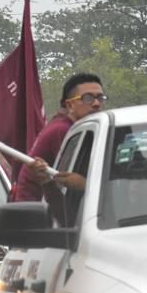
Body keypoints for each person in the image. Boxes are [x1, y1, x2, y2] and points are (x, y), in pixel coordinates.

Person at [14, 73, 107, 201]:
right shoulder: (64, 131)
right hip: (36, 213)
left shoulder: (80, 128)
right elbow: (72, 183)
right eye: (88, 98)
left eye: (100, 97)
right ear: (70, 105)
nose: (97, 103)